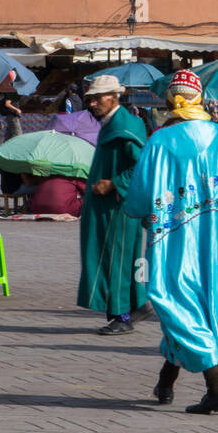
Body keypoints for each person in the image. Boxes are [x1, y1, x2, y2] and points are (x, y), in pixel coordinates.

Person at [126, 69, 218, 414]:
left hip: (175, 236)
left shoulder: (161, 140)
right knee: (204, 305)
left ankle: (217, 388)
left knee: (174, 299)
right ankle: (166, 383)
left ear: (169, 101)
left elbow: (138, 197)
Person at [78, 74, 154, 335]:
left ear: (113, 97)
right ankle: (138, 305)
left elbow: (141, 167)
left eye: (97, 99)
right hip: (106, 208)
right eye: (91, 99)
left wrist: (113, 184)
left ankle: (122, 316)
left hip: (118, 208)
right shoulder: (114, 124)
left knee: (117, 261)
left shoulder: (124, 126)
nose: (92, 104)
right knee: (117, 258)